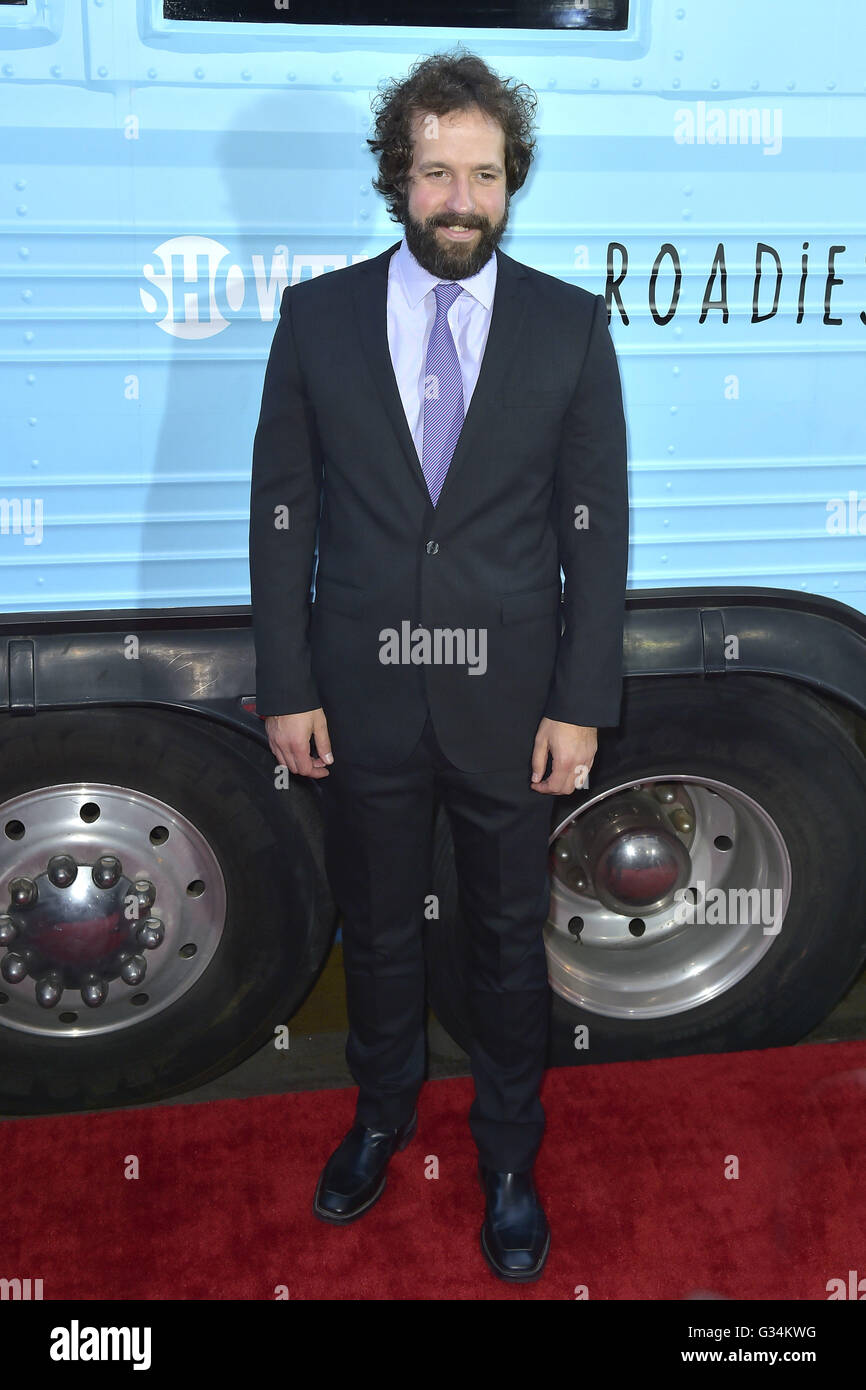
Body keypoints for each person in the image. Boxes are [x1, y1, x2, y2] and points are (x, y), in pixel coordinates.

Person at [248, 46, 629, 1283]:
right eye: (432, 173)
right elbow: (282, 515)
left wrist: (580, 702)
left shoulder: (569, 326)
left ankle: (509, 1158)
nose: (456, 198)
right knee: (379, 927)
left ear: (510, 181)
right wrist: (289, 680)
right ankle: (378, 1115)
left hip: (512, 704)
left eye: (480, 173)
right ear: (394, 181)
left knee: (509, 939)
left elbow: (595, 527)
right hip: (355, 698)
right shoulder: (315, 317)